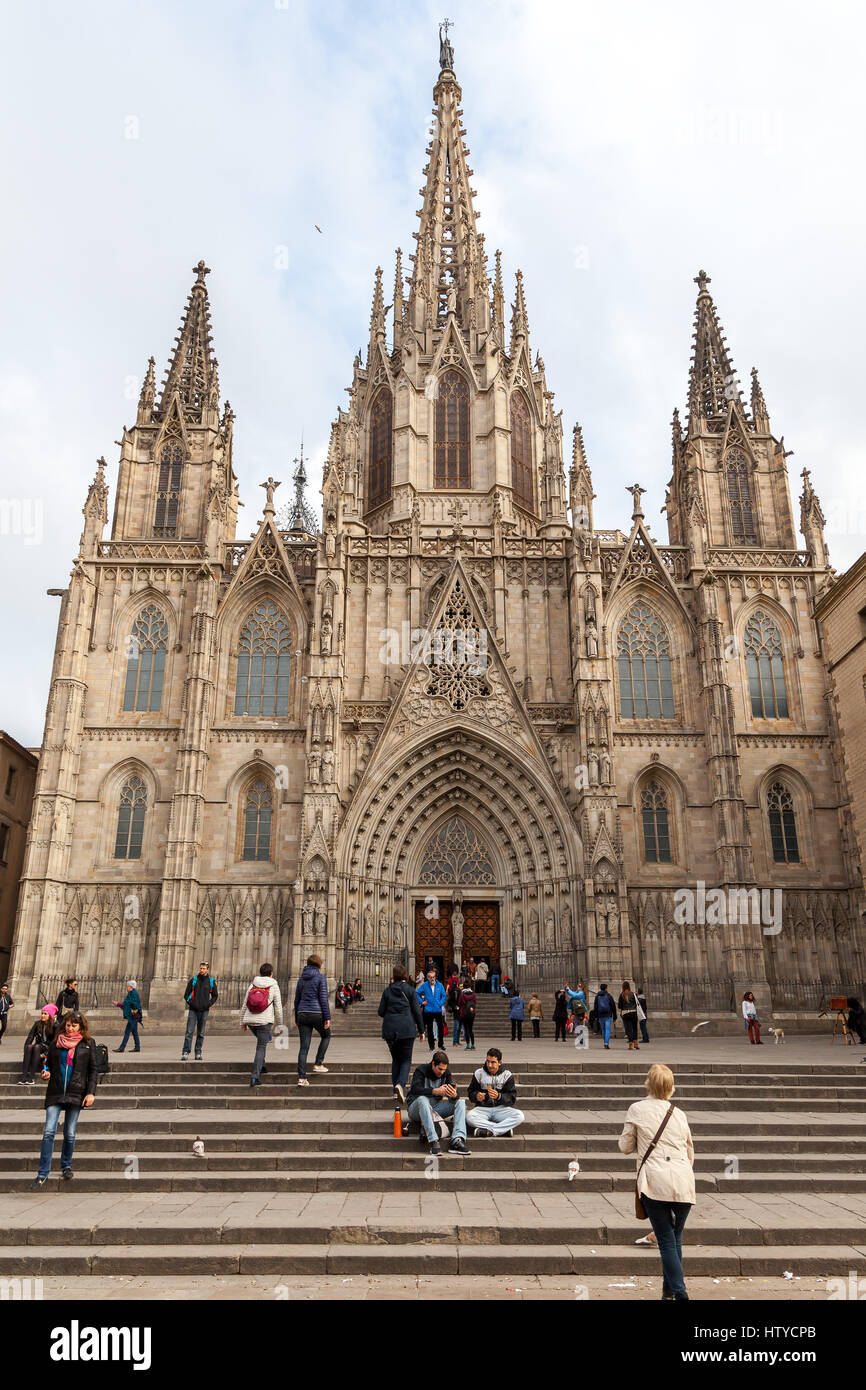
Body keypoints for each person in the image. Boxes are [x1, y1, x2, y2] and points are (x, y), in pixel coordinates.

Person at [618, 1063, 696, 1301]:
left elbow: (625, 1147)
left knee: (665, 1240)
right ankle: (668, 1292)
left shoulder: (636, 1109)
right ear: (671, 1088)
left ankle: (680, 1293)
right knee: (674, 1239)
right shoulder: (679, 1113)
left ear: (648, 1084)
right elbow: (689, 1150)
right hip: (683, 1180)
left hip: (654, 1181)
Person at [31, 1011, 98, 1188]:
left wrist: (91, 1093)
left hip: (76, 1092)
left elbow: (93, 1071)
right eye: (68, 1025)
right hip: (55, 1091)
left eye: (74, 1025)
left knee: (69, 1133)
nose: (70, 1028)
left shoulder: (88, 1044)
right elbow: (48, 1063)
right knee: (48, 1132)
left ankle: (65, 1165)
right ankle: (42, 1173)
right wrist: (45, 1071)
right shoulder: (56, 1043)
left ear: (81, 1027)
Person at [406, 1050, 471, 1156]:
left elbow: (453, 1099)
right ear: (433, 1064)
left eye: (444, 1070)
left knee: (461, 1102)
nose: (442, 1072)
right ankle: (433, 1141)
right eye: (439, 1069)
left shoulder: (446, 1073)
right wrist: (435, 1090)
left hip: (434, 1109)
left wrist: (454, 1095)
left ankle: (457, 1140)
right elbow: (415, 1090)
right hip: (415, 1109)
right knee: (423, 1099)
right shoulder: (421, 1070)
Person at [378, 964, 424, 1102]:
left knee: (396, 1059)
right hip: (406, 1029)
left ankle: (395, 1090)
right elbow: (417, 1012)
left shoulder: (387, 991)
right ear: (405, 975)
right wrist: (421, 1030)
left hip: (390, 1030)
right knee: (405, 1060)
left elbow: (380, 1012)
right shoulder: (410, 990)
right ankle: (400, 1085)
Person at [466, 1048, 525, 1138]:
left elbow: (512, 1099)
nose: (489, 1065)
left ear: (499, 1062)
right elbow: (470, 1093)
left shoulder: (507, 1075)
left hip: (501, 1109)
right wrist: (476, 1096)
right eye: (488, 1061)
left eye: (493, 1062)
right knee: (469, 1117)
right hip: (482, 1109)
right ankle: (502, 1130)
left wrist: (499, 1096)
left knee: (520, 1116)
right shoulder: (479, 1073)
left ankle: (490, 1131)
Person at [241, 962, 283, 1087]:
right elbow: (278, 1008)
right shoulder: (274, 985)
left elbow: (245, 1004)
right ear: (271, 973)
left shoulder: (253, 984)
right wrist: (280, 1025)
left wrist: (242, 1022)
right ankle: (255, 1077)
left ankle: (262, 1066)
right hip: (264, 1022)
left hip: (250, 1022)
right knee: (261, 1047)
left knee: (261, 1042)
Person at [294, 953, 331, 1086]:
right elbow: (323, 999)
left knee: (304, 1047)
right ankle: (318, 1063)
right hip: (316, 1013)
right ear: (319, 964)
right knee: (326, 1035)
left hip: (302, 1013)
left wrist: (296, 1019)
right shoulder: (320, 977)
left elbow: (296, 1000)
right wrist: (327, 1017)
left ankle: (302, 1078)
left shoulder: (301, 979)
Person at [181, 962, 218, 1061]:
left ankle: (198, 1052)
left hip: (204, 1010)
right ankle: (185, 1052)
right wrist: (192, 1004)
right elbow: (186, 995)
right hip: (193, 1010)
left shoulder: (211, 981)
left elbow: (215, 995)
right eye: (201, 968)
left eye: (204, 968)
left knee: (201, 1033)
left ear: (207, 970)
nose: (202, 970)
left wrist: (208, 1004)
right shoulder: (194, 980)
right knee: (189, 1032)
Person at [18, 1004, 58, 1085]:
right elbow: (30, 1037)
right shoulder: (37, 1024)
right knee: (29, 1046)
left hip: (48, 1049)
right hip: (39, 1047)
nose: (42, 1015)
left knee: (36, 1047)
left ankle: (31, 1077)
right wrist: (26, 1050)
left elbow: (55, 1043)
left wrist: (45, 1054)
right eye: (42, 1013)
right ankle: (23, 1076)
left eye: (45, 1014)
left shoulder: (56, 1026)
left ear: (51, 1015)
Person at [416, 968, 447, 1050]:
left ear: (435, 977)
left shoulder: (440, 985)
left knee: (440, 1027)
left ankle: (441, 1044)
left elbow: (444, 995)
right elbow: (416, 993)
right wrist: (422, 1002)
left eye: (433, 977)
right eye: (430, 977)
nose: (432, 979)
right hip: (428, 1010)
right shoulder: (424, 985)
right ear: (428, 978)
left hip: (438, 1010)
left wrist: (440, 1003)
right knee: (429, 1029)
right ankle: (431, 1046)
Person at [112, 980, 143, 1053]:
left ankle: (122, 1048)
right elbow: (127, 1005)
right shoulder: (132, 993)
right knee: (135, 1032)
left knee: (127, 1031)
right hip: (135, 1016)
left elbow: (133, 1005)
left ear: (130, 987)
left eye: (127, 986)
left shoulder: (133, 994)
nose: (126, 987)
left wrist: (118, 1004)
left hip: (134, 1016)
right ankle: (137, 1047)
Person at [619, 981, 640, 1050]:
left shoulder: (621, 995)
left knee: (629, 1029)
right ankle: (636, 1043)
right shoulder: (633, 994)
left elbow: (619, 1006)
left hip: (625, 1013)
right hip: (633, 1012)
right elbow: (637, 1003)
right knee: (634, 1028)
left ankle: (630, 1044)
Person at [595, 982, 617, 1048]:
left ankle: (605, 1042)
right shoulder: (609, 996)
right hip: (608, 1015)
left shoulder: (597, 996)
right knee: (607, 1029)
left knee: (603, 1030)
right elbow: (613, 1006)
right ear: (606, 989)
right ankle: (606, 1043)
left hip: (600, 1015)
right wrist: (615, 1016)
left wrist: (596, 1016)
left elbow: (595, 1006)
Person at [458, 978, 477, 1050]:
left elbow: (459, 1003)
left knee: (466, 1029)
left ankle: (468, 1044)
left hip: (464, 1013)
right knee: (471, 1029)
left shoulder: (462, 994)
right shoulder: (473, 995)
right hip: (471, 1013)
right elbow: (474, 1003)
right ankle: (473, 1044)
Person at [446, 970, 463, 1046]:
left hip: (462, 1012)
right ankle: (454, 1041)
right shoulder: (455, 992)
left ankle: (457, 1041)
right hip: (456, 1012)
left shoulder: (462, 992)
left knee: (459, 1028)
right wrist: (455, 1007)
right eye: (460, 986)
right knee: (456, 1027)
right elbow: (450, 1001)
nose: (461, 987)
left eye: (462, 986)